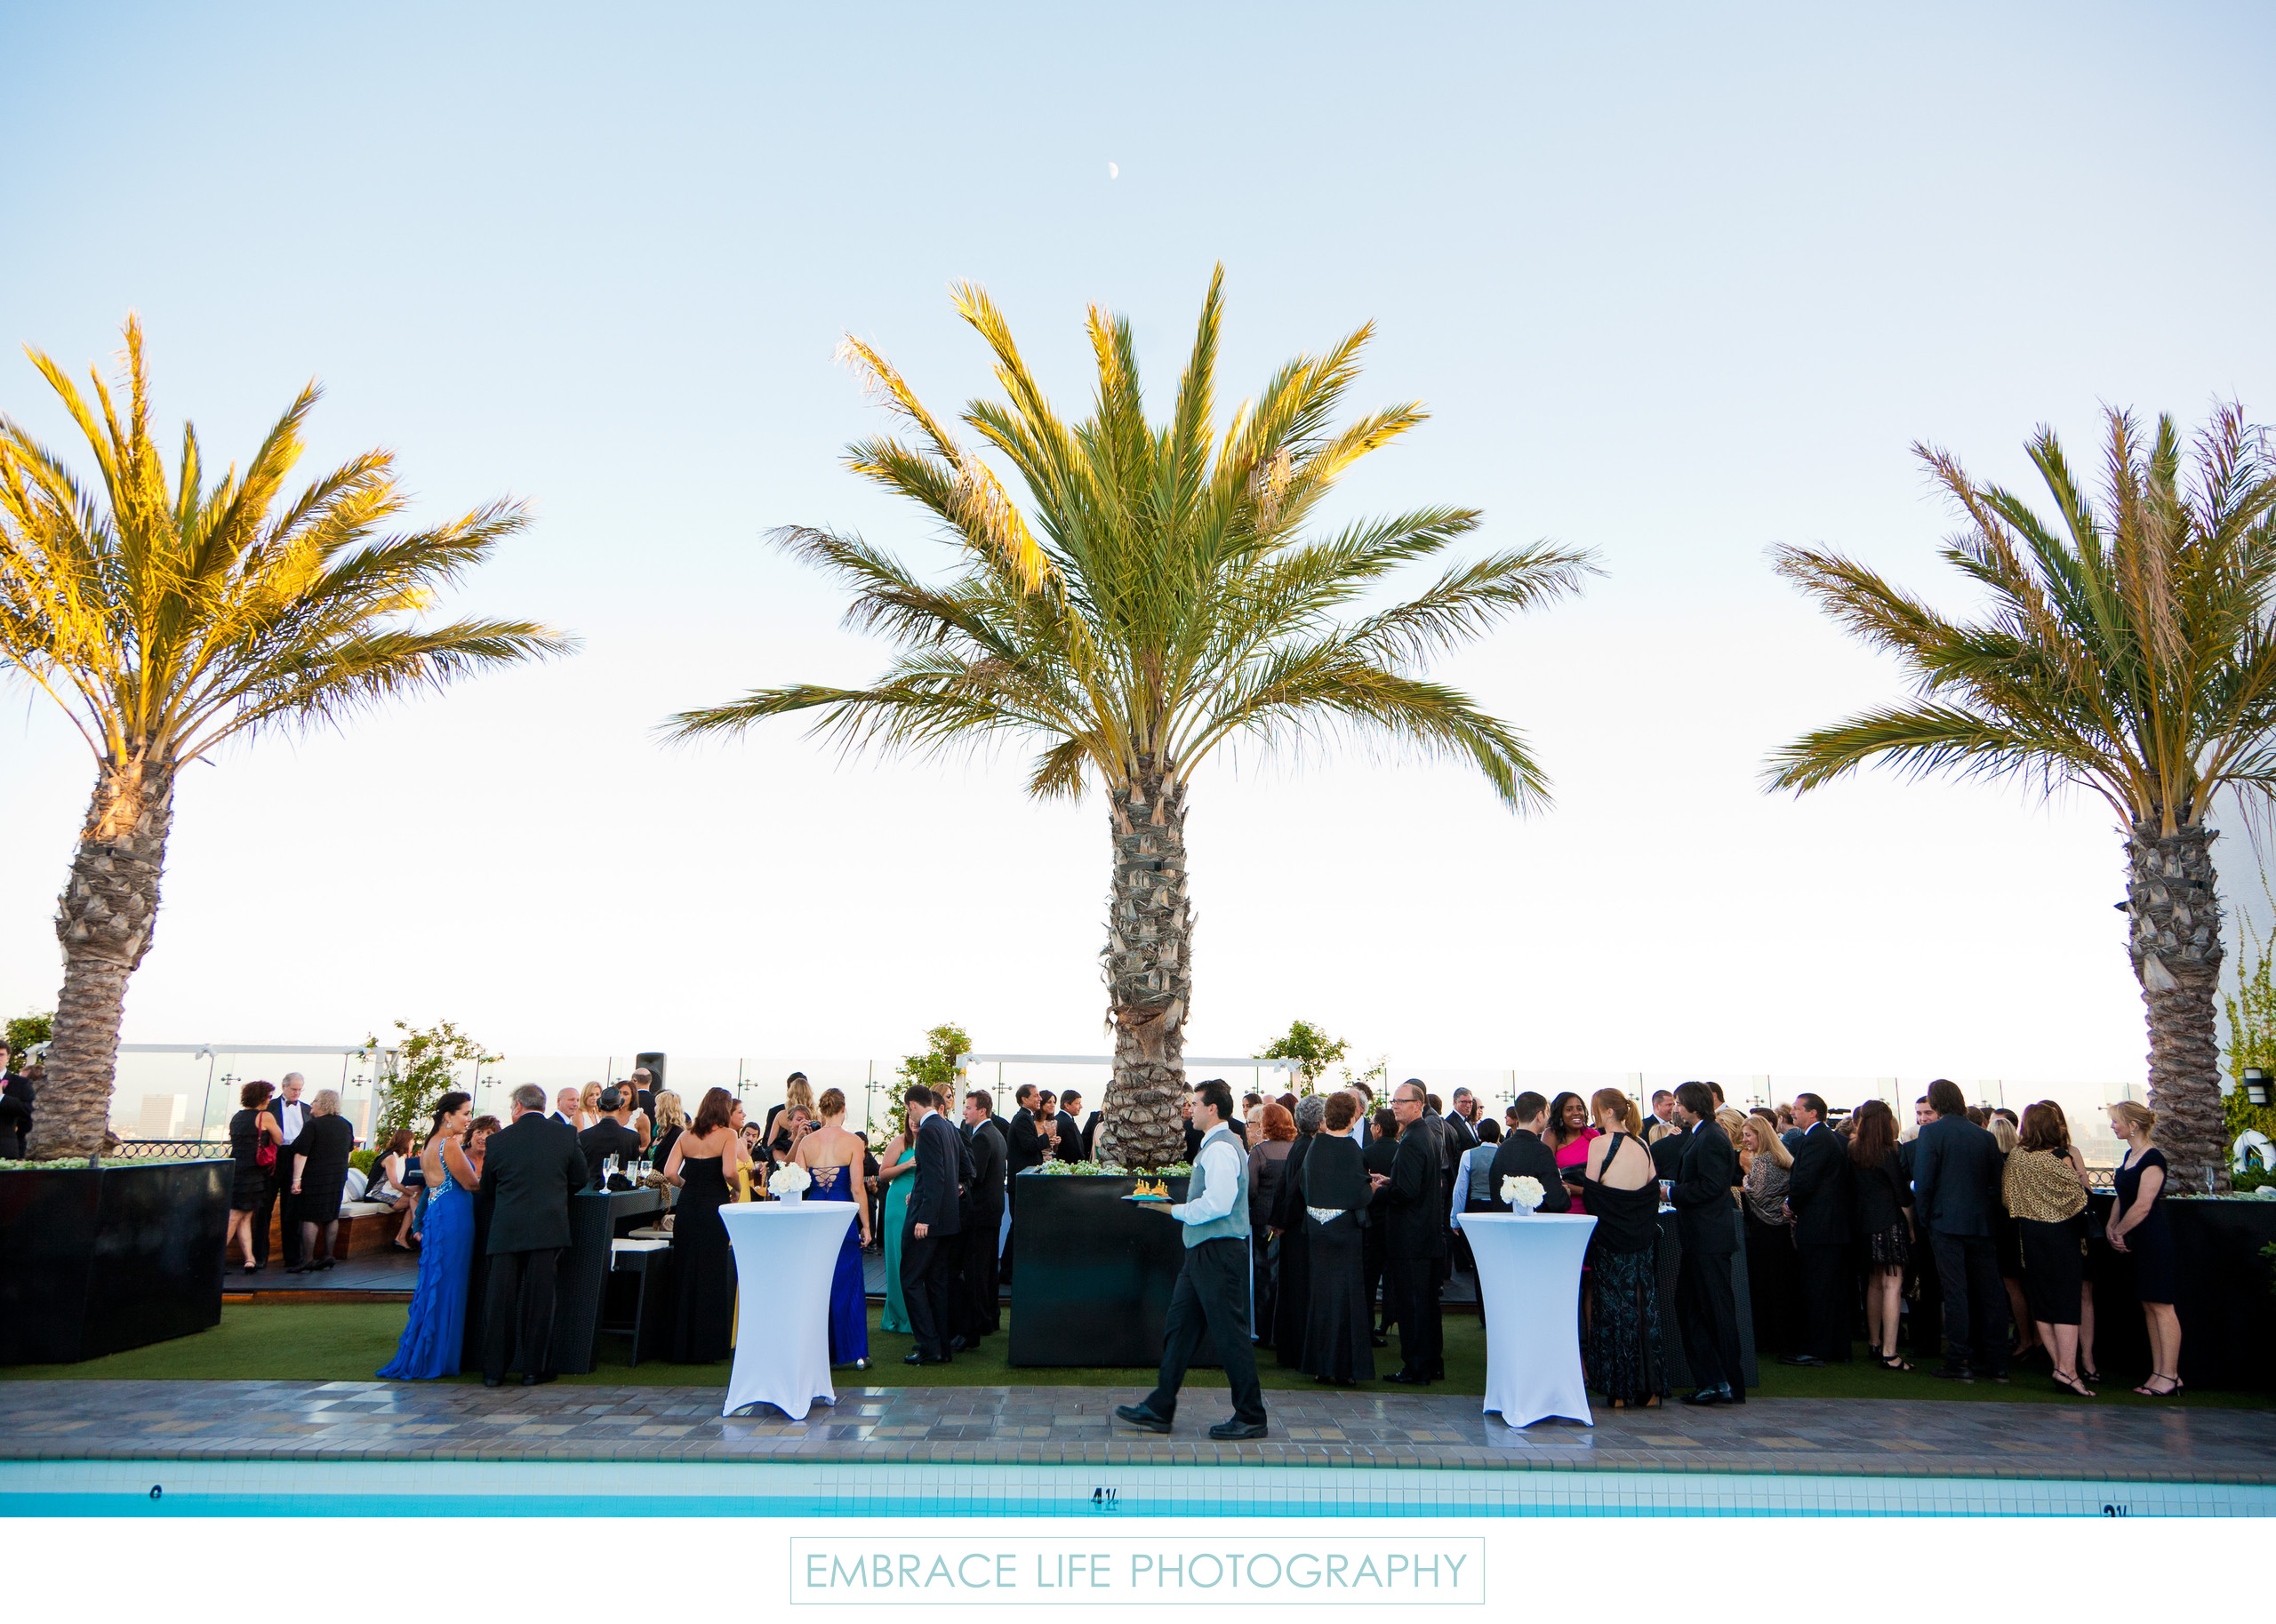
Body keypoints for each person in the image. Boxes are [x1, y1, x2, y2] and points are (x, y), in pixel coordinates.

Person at [1115, 1079, 1269, 1438]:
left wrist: (1169, 1210)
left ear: (1212, 1108)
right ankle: (1159, 1407)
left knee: (1230, 1335)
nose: (1190, 1110)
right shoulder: (1218, 1145)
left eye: (1195, 1104)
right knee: (1180, 1330)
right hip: (1204, 1253)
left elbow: (1218, 1203)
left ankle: (1251, 1415)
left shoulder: (1220, 1149)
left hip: (1218, 1253)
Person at [477, 1084, 589, 1386]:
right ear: (542, 1105)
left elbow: (487, 1187)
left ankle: (494, 1372)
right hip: (548, 1226)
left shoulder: (499, 1140)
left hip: (506, 1229)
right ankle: (533, 1370)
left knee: (500, 1301)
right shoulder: (566, 1135)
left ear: (517, 1107)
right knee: (539, 1301)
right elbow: (580, 1178)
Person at [1911, 1076, 2008, 1383]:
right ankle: (1996, 1363)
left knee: (1955, 1293)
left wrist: (1926, 1218)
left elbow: (1924, 1182)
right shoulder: (1984, 1136)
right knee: (1990, 1293)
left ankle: (1959, 1361)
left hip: (1945, 1223)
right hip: (1981, 1224)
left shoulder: (1931, 1133)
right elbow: (1996, 1184)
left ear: (1936, 1103)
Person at [379, 1092, 480, 1380]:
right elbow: (471, 1184)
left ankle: (433, 1351)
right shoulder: (448, 1144)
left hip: (439, 1212)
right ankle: (439, 1357)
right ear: (448, 1116)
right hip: (454, 1215)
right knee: (449, 1283)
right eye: (465, 1113)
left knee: (438, 1281)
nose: (468, 1119)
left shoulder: (430, 1145)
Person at [1579, 1088, 1667, 1409]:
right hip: (1641, 1240)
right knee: (1644, 1308)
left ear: (1607, 1112)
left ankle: (1618, 1390)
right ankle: (1651, 1387)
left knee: (1612, 1311)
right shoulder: (1643, 1145)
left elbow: (1592, 1193)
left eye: (1595, 1110)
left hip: (1610, 1241)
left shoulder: (1598, 1144)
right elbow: (1652, 1189)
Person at [2006, 1102, 2093, 1397]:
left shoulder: (2017, 1157)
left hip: (2030, 1234)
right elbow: (2079, 1199)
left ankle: (2058, 1367)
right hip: (2062, 1235)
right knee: (2066, 1302)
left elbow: (2009, 1199)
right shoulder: (2062, 1158)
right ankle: (2069, 1370)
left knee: (2041, 1301)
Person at [1670, 1082, 1745, 1405]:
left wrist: (1671, 1193)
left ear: (1692, 1105)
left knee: (1715, 1311)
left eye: (1678, 1102)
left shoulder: (1711, 1137)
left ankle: (1726, 1382)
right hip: (1700, 1239)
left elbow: (1712, 1187)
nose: (1675, 1108)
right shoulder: (1704, 1134)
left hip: (1709, 1239)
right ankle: (1713, 1380)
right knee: (1690, 1308)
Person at [663, 1087, 746, 1364]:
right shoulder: (728, 1135)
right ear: (723, 1109)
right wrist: (735, 1190)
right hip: (714, 1206)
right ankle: (707, 1346)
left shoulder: (686, 1135)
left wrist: (686, 1184)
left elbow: (669, 1173)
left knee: (685, 1269)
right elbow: (729, 1171)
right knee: (711, 1272)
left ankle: (679, 1345)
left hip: (687, 1206)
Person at [792, 1087, 873, 1369]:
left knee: (815, 1283)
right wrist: (866, 1225)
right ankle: (854, 1353)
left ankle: (817, 1351)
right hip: (841, 1217)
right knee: (846, 1283)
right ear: (843, 1109)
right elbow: (856, 1187)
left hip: (814, 1217)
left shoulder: (807, 1143)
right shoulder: (852, 1142)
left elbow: (798, 1185)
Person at [1373, 1081, 1447, 1384]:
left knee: (1414, 1305)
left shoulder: (1415, 1138)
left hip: (1411, 1238)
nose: (1395, 1106)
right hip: (1424, 1236)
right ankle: (1431, 1363)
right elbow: (1415, 1182)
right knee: (1427, 1305)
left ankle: (1416, 1368)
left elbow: (1408, 1192)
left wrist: (1379, 1192)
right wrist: (1391, 1181)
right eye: (1393, 1101)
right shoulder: (1423, 1135)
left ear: (1418, 1105)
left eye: (1401, 1101)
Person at [1300, 1090, 1374, 1385]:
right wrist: (1374, 1189)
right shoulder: (1353, 1150)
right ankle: (1345, 1370)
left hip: (1316, 1230)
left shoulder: (1314, 1147)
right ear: (1354, 1116)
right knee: (1347, 1297)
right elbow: (1360, 1194)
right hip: (1344, 1232)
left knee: (1321, 1295)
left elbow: (1304, 1185)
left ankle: (1321, 1366)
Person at [2106, 1100, 2180, 1396]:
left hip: (2153, 1240)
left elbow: (2143, 1204)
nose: (2112, 1126)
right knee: (2150, 1306)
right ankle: (2158, 1371)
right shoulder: (2130, 1155)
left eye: (2116, 1121)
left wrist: (2120, 1231)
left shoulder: (2153, 1159)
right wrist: (2112, 1227)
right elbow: (2121, 1196)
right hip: (2136, 1240)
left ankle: (2170, 1375)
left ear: (2133, 1125)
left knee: (2162, 1306)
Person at [1782, 1092, 1853, 1365]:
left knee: (1819, 1289)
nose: (1793, 1113)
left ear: (1813, 1113)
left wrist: (1791, 1204)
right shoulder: (1823, 1137)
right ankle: (1834, 1348)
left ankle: (1816, 1349)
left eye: (1798, 1109)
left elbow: (1804, 1180)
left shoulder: (1817, 1139)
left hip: (1821, 1228)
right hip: (1829, 1228)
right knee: (1829, 1289)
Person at [900, 1085, 967, 1365]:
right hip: (948, 1221)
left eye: (907, 1109)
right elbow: (960, 1171)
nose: (908, 1114)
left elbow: (935, 1177)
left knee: (911, 1280)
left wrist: (924, 1218)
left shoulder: (928, 1131)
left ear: (913, 1105)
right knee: (938, 1283)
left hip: (928, 1221)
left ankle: (929, 1346)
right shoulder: (948, 1128)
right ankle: (942, 1346)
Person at [1847, 1099, 1914, 1370]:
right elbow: (1903, 1195)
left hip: (1863, 1225)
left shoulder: (1852, 1150)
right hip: (1889, 1224)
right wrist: (1910, 1227)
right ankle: (1890, 1352)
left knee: (1874, 1283)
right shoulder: (1889, 1153)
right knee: (1892, 1286)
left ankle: (1875, 1343)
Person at [1267, 1095, 1323, 1365]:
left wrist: (1278, 1222)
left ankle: (1291, 1349)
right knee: (1298, 1291)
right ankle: (1298, 1350)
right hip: (1298, 1229)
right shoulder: (1308, 1148)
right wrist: (1282, 1222)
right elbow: (1291, 1192)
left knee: (1292, 1290)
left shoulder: (1301, 1145)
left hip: (1291, 1227)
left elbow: (1283, 1189)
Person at [1737, 1114, 1797, 1362]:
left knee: (1766, 1286)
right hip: (1782, 1229)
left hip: (1764, 1229)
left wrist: (1745, 1184)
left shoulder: (1762, 1161)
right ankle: (1783, 1338)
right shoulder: (1783, 1159)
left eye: (1748, 1135)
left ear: (1761, 1135)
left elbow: (1756, 1196)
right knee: (1782, 1286)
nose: (1745, 1140)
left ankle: (1769, 1339)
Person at [954, 1089, 1006, 1346]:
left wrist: (958, 1186)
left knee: (976, 1271)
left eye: (968, 1107)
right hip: (993, 1212)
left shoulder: (982, 1137)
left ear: (982, 1111)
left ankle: (977, 1324)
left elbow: (976, 1176)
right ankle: (989, 1319)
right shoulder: (996, 1134)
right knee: (988, 1269)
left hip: (980, 1214)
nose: (964, 1111)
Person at [286, 1090, 356, 1272]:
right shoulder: (346, 1125)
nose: (312, 1103)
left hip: (316, 1176)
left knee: (309, 1217)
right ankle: (328, 1255)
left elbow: (301, 1154)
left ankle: (308, 1259)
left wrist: (296, 1179)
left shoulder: (313, 1126)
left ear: (323, 1104)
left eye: (315, 1100)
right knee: (331, 1215)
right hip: (337, 1176)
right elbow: (348, 1152)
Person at [1246, 1101, 1297, 1348]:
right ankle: (1284, 1332)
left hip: (1263, 1223)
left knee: (1263, 1278)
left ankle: (1264, 1332)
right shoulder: (1297, 1150)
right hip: (1290, 1224)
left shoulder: (1260, 1153)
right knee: (1285, 1278)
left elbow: (1250, 1190)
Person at [1988, 1113, 2035, 1364]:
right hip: (2023, 1228)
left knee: (2011, 1286)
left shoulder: (1994, 1164)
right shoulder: (2022, 1161)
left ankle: (2025, 1338)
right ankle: (2032, 1338)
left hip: (2001, 1231)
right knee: (2025, 1286)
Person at [226, 1080, 284, 1273]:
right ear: (262, 1098)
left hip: (237, 1168)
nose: (270, 1100)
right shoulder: (265, 1116)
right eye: (268, 1096)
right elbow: (279, 1139)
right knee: (235, 1216)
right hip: (253, 1172)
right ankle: (213, 1258)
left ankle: (250, 1259)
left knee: (245, 1216)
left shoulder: (237, 1117)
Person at [259, 1074, 315, 1269]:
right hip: (274, 1157)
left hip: (296, 1158)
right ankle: (260, 1257)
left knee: (292, 1210)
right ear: (283, 1087)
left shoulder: (308, 1110)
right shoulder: (270, 1107)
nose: (297, 1093)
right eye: (293, 1089)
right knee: (264, 1208)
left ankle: (293, 1258)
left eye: (300, 1089)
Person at [1485, 1092, 1570, 1212]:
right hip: (1535, 1224)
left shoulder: (1503, 1148)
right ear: (1539, 1115)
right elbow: (1556, 1201)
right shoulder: (1542, 1151)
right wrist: (1565, 1193)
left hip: (1506, 1223)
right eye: (1546, 1113)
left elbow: (1496, 1189)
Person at [876, 1109, 919, 1333]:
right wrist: (907, 1165)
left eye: (917, 1120)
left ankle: (918, 1314)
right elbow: (882, 1174)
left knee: (917, 1259)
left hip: (920, 1205)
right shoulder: (900, 1142)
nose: (913, 1124)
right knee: (898, 1258)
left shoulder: (931, 1140)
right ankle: (898, 1315)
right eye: (910, 1120)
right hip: (897, 1206)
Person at [1360, 1105, 1398, 1346]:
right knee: (1394, 1277)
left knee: (1370, 1280)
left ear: (1378, 1128)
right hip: (1396, 1222)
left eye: (1373, 1124)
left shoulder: (1366, 1154)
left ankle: (1368, 1328)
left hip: (1372, 1224)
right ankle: (1390, 1321)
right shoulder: (1402, 1151)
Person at [578, 1086, 642, 1188]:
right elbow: (633, 1170)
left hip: (589, 1193)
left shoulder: (583, 1136)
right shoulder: (633, 1137)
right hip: (620, 1195)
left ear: (599, 1108)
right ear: (620, 1107)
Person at [1547, 1091, 1596, 1212]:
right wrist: (1584, 1191)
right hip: (1566, 1207)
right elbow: (1547, 1174)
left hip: (1593, 1206)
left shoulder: (1593, 1136)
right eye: (1569, 1109)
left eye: (1579, 1108)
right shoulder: (1552, 1135)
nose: (1576, 1113)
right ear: (1560, 1114)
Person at [0, 1040, 33, 1158]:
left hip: (5, 1148)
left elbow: (30, 1110)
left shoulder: (21, 1083)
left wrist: (2, 1098)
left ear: (8, 1057)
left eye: (1, 1055)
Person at [648, 1091, 686, 1166]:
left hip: (661, 1176)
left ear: (664, 1108)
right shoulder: (659, 1130)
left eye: (657, 1105)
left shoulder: (676, 1133)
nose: (655, 1108)